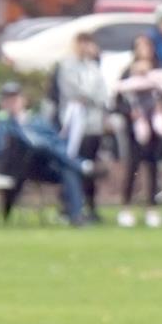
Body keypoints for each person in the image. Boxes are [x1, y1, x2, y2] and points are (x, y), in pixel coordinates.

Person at [0, 82, 88, 225]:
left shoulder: (37, 121)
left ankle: (76, 216)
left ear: (23, 100)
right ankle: (82, 165)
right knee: (37, 144)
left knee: (67, 169)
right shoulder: (2, 121)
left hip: (40, 166)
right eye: (8, 100)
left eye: (15, 99)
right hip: (16, 168)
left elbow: (57, 141)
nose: (12, 103)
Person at [116, 38, 162, 226]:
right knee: (133, 166)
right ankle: (126, 207)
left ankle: (152, 207)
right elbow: (118, 100)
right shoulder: (127, 72)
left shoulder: (161, 72)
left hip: (155, 125)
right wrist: (130, 113)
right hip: (135, 127)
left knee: (153, 166)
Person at [56, 31, 111, 221]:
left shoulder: (93, 67)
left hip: (93, 124)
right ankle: (70, 205)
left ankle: (91, 205)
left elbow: (103, 92)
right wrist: (92, 97)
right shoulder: (67, 66)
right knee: (74, 164)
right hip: (74, 123)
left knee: (91, 166)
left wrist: (98, 101)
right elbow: (74, 91)